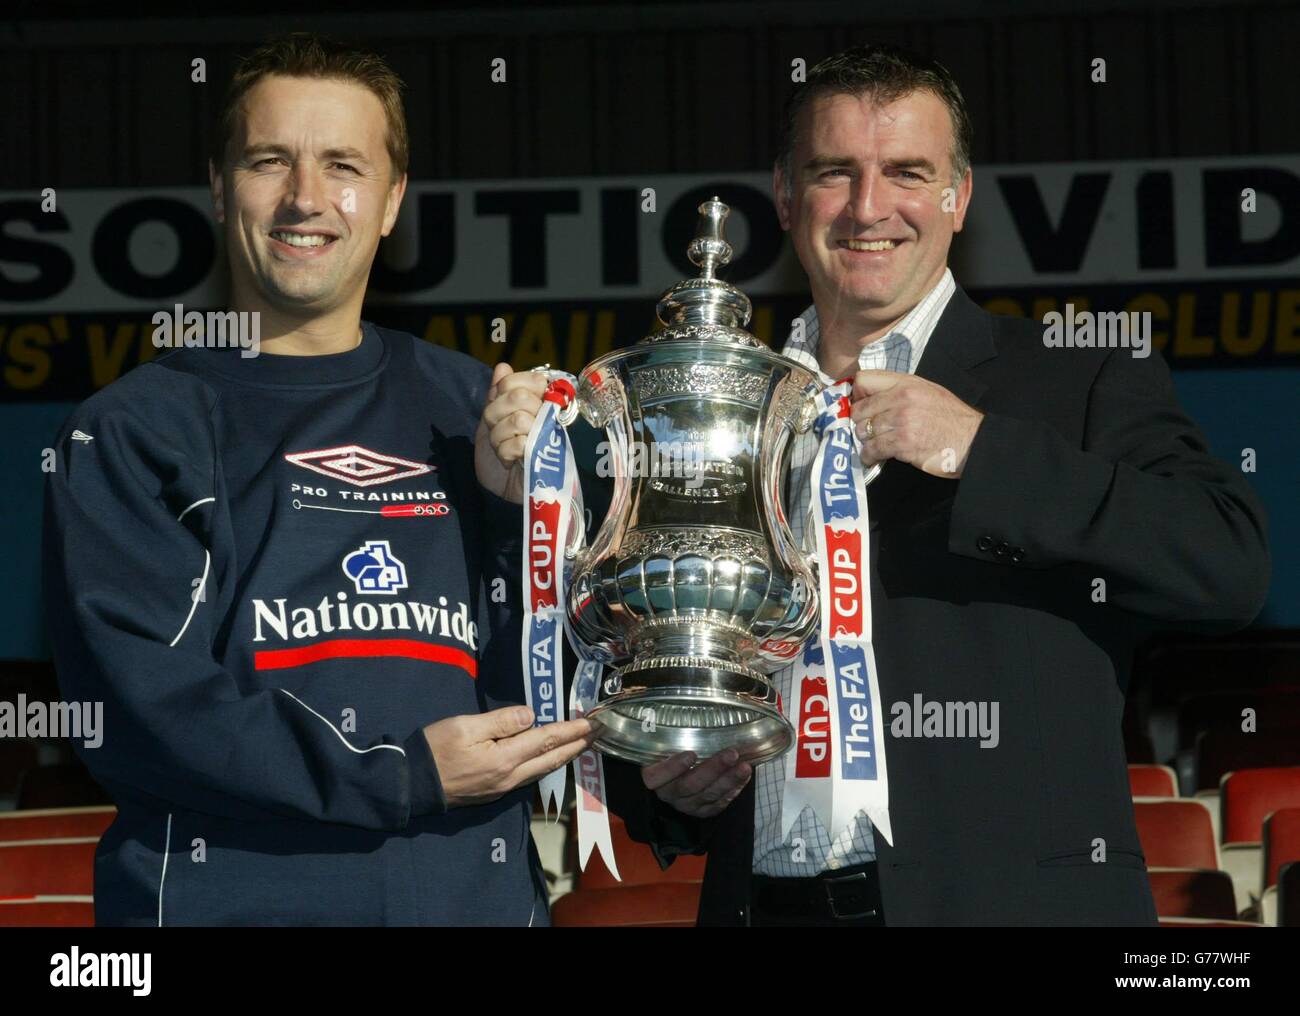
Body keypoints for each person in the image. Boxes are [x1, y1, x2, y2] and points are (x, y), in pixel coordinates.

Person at [482, 43, 1270, 926]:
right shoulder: (706, 412)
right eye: (834, 173)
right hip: (764, 908)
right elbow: (637, 653)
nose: (868, 208)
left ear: (957, 197)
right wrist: (672, 786)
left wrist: (977, 446)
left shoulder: (1073, 374)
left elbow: (1228, 561)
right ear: (784, 198)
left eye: (906, 172)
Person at [42, 32, 590, 927]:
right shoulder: (132, 429)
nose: (305, 198)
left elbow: (573, 673)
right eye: (270, 162)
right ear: (220, 190)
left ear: (389, 201)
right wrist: (400, 777)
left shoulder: (477, 410)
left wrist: (517, 512)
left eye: (343, 165)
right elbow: (144, 713)